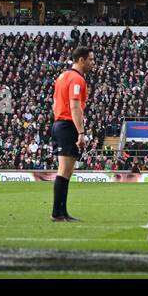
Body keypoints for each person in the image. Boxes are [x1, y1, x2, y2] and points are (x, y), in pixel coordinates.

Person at [50, 45, 94, 222]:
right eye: (90, 59)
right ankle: (57, 212)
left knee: (66, 171)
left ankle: (61, 212)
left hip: (59, 123)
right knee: (65, 170)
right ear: (81, 60)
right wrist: (81, 132)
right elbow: (75, 106)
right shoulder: (77, 80)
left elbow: (55, 103)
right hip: (68, 125)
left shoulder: (62, 76)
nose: (93, 63)